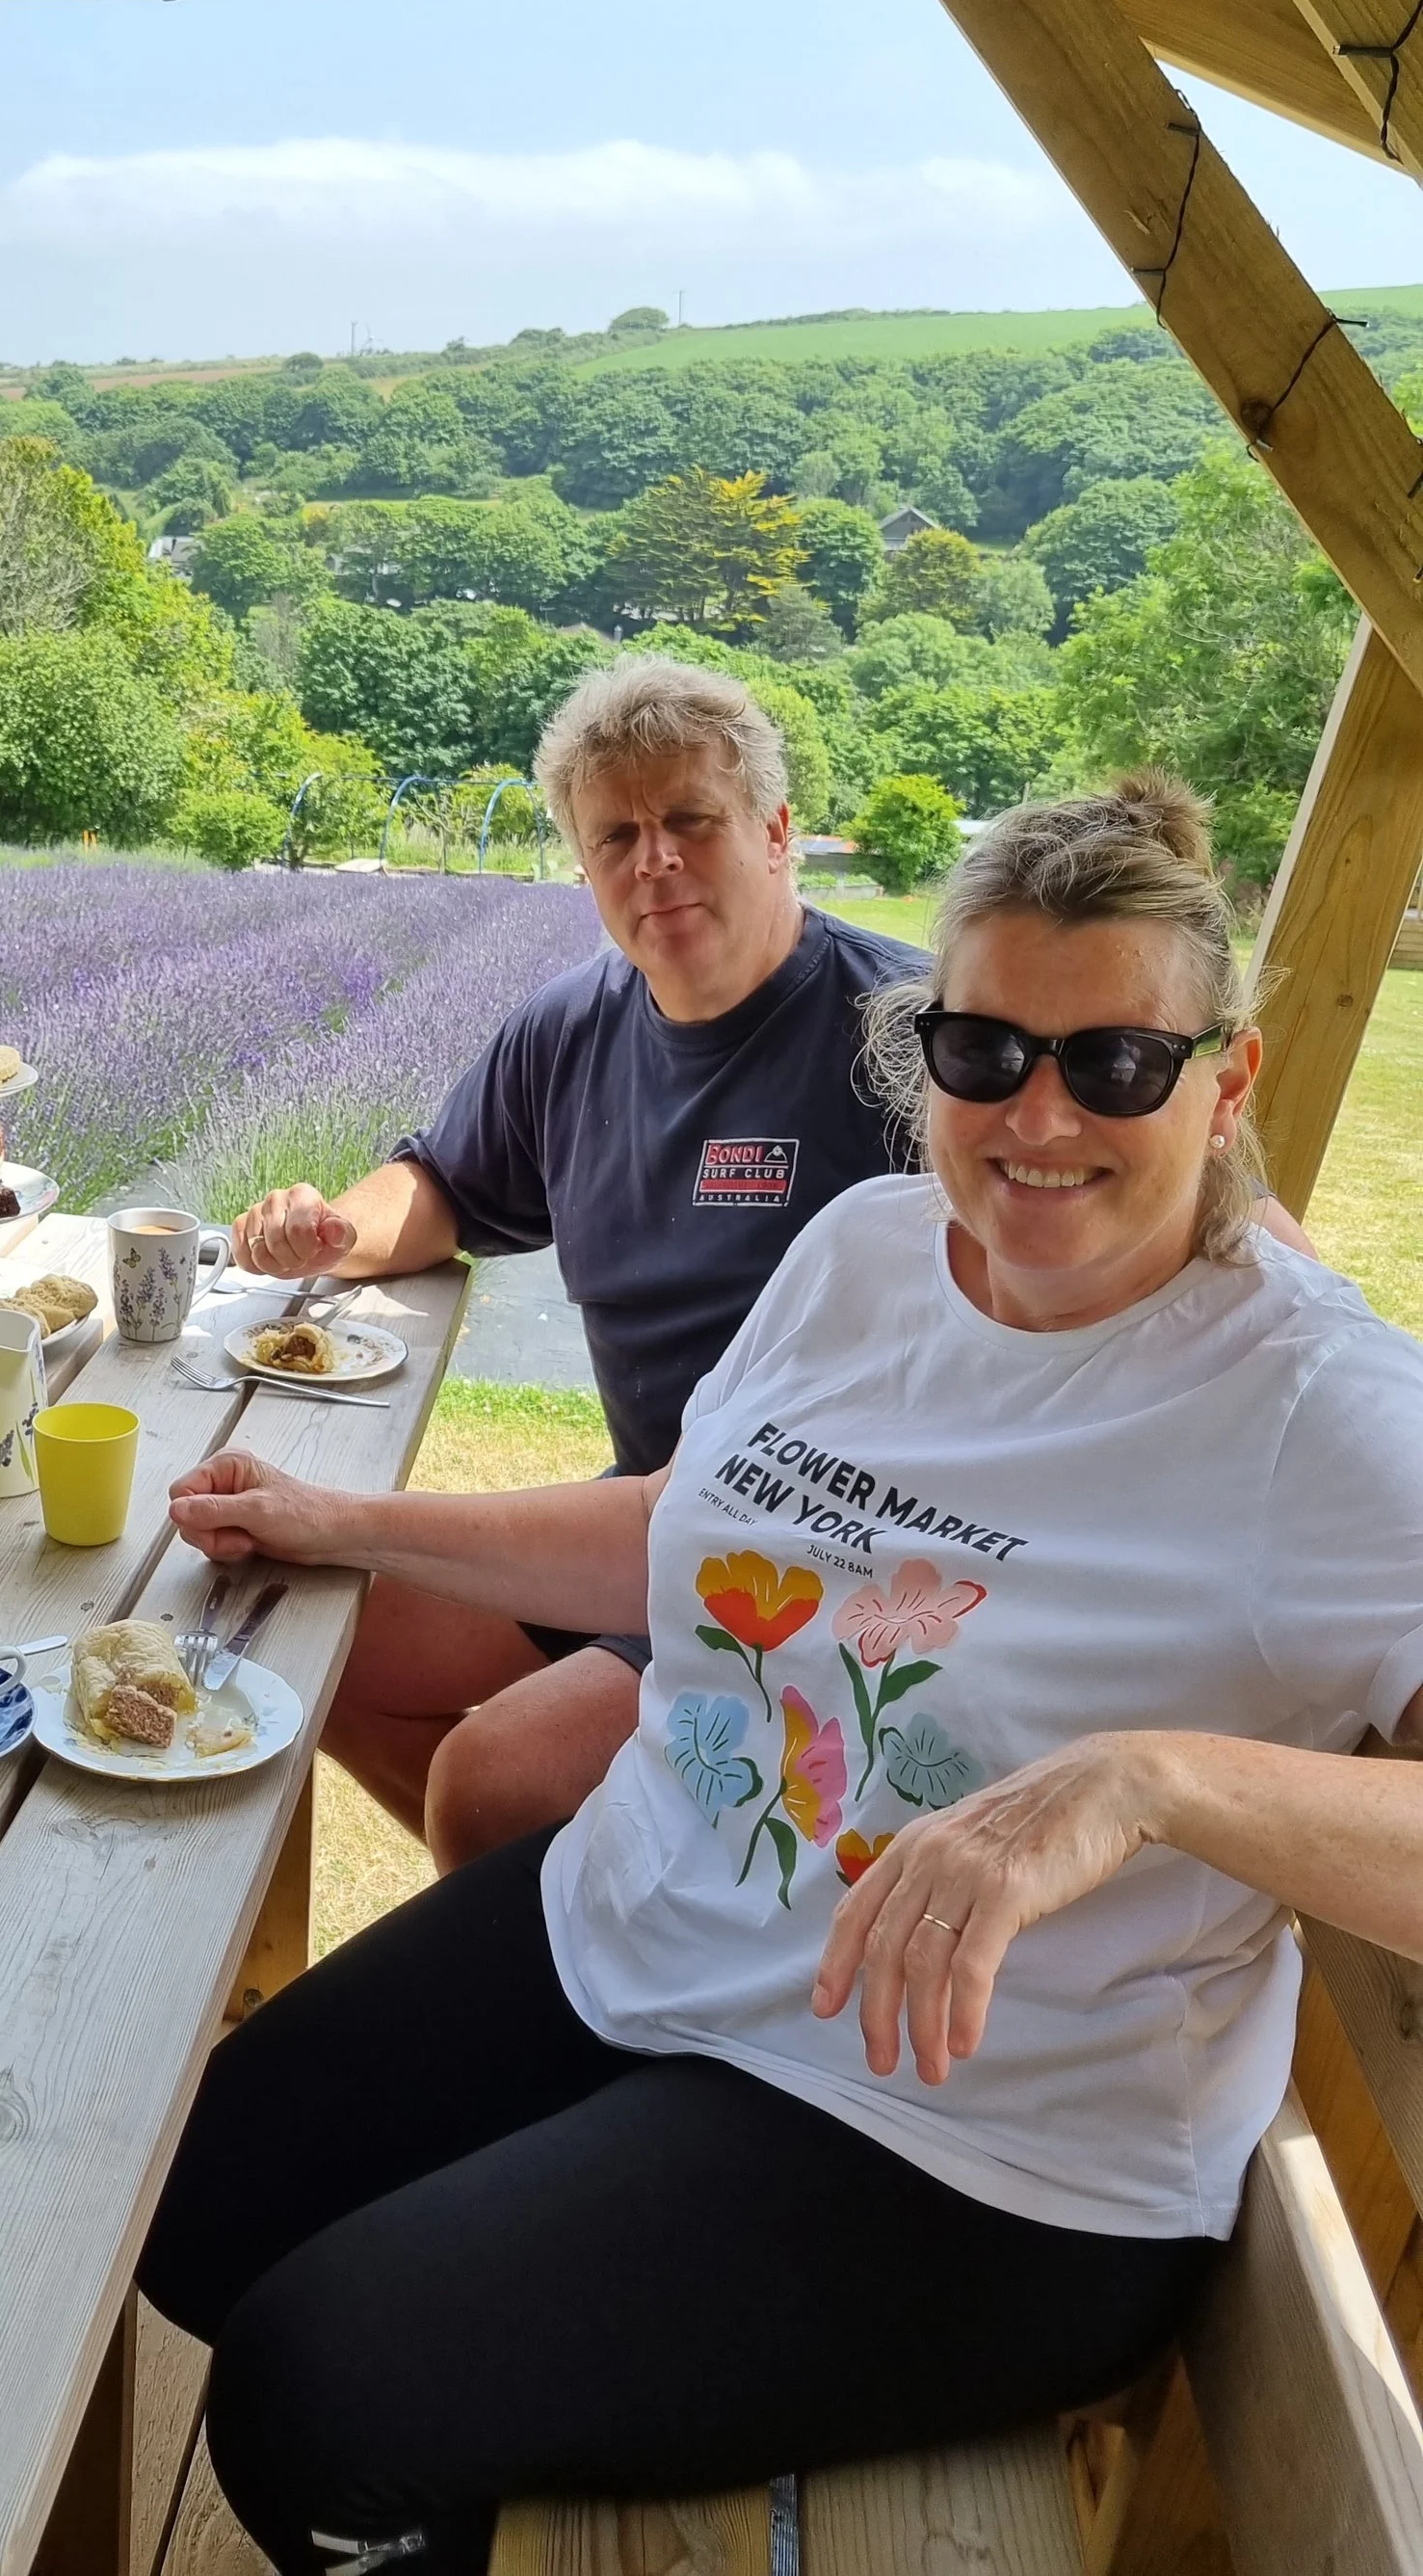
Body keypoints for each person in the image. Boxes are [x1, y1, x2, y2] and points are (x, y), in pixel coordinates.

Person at [143, 776, 1423, 2576]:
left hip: (967, 2131)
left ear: (1230, 1079)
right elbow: (684, 1526)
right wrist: (349, 1521)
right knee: (187, 2208)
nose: (1038, 1113)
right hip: (647, 1923)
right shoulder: (868, 1251)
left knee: (310, 2397)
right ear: (922, 1057)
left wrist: (1152, 1781)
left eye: (1118, 1063)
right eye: (981, 1049)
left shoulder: (1326, 1412)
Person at [230, 657, 926, 1867]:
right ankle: (574, 1921)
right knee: (309, 1641)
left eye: (688, 821)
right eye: (615, 834)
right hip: (637, 1524)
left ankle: (567, 1969)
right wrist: (333, 1231)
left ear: (776, 832)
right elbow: (441, 1185)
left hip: (832, 1567)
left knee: (493, 1778)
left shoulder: (910, 1039)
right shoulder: (572, 1028)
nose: (651, 859)